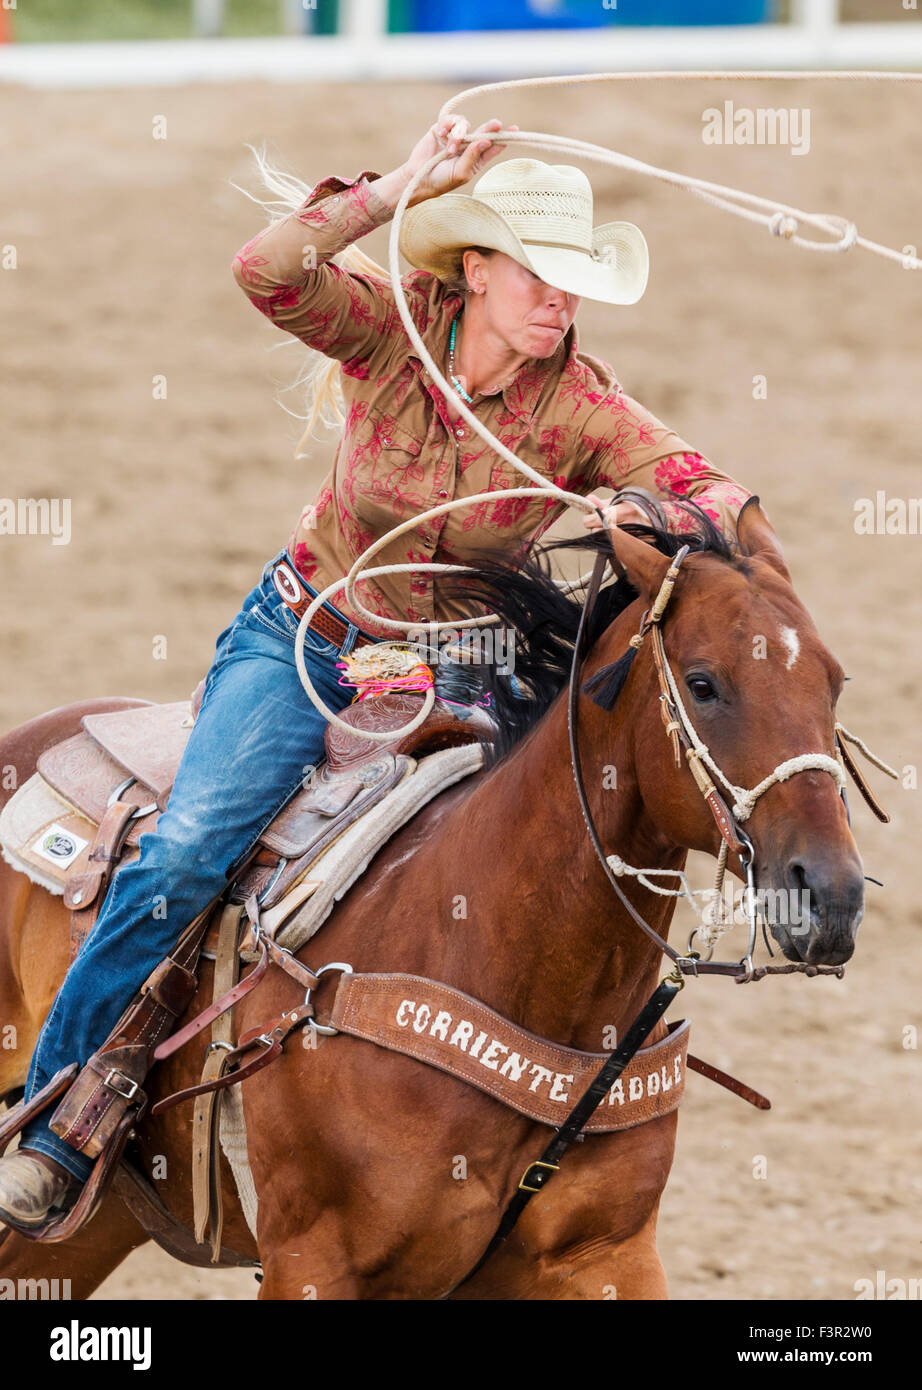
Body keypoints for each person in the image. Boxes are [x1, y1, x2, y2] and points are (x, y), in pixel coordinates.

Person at [0, 114, 751, 1228]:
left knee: (553, 852)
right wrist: (401, 183)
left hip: (470, 663)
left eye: (574, 284)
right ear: (478, 270)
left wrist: (656, 508)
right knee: (190, 850)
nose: (561, 303)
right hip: (308, 634)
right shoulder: (389, 328)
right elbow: (266, 268)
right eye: (540, 278)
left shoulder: (583, 406)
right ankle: (60, 1107)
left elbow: (713, 490)